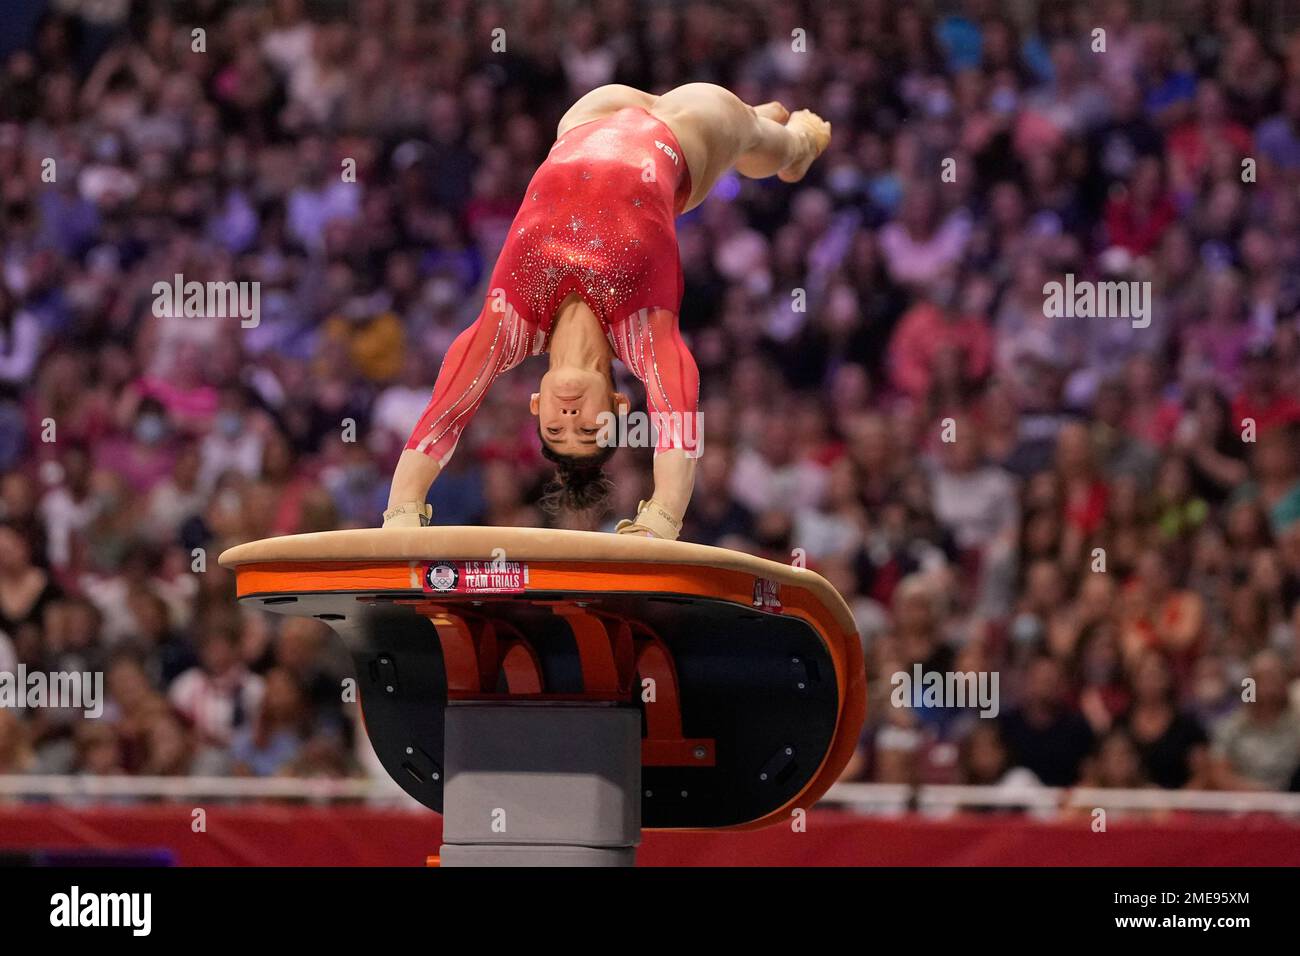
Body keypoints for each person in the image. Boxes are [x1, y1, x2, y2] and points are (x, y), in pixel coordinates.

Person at [383, 83, 831, 539]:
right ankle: (794, 144)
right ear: (619, 407)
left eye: (556, 431)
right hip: (682, 136)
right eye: (589, 430)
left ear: (535, 405)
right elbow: (677, 423)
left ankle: (759, 119)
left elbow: (444, 415)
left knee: (745, 125)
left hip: (585, 119)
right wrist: (660, 518)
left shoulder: (509, 324)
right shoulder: (640, 330)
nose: (570, 419)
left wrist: (402, 508)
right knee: (753, 134)